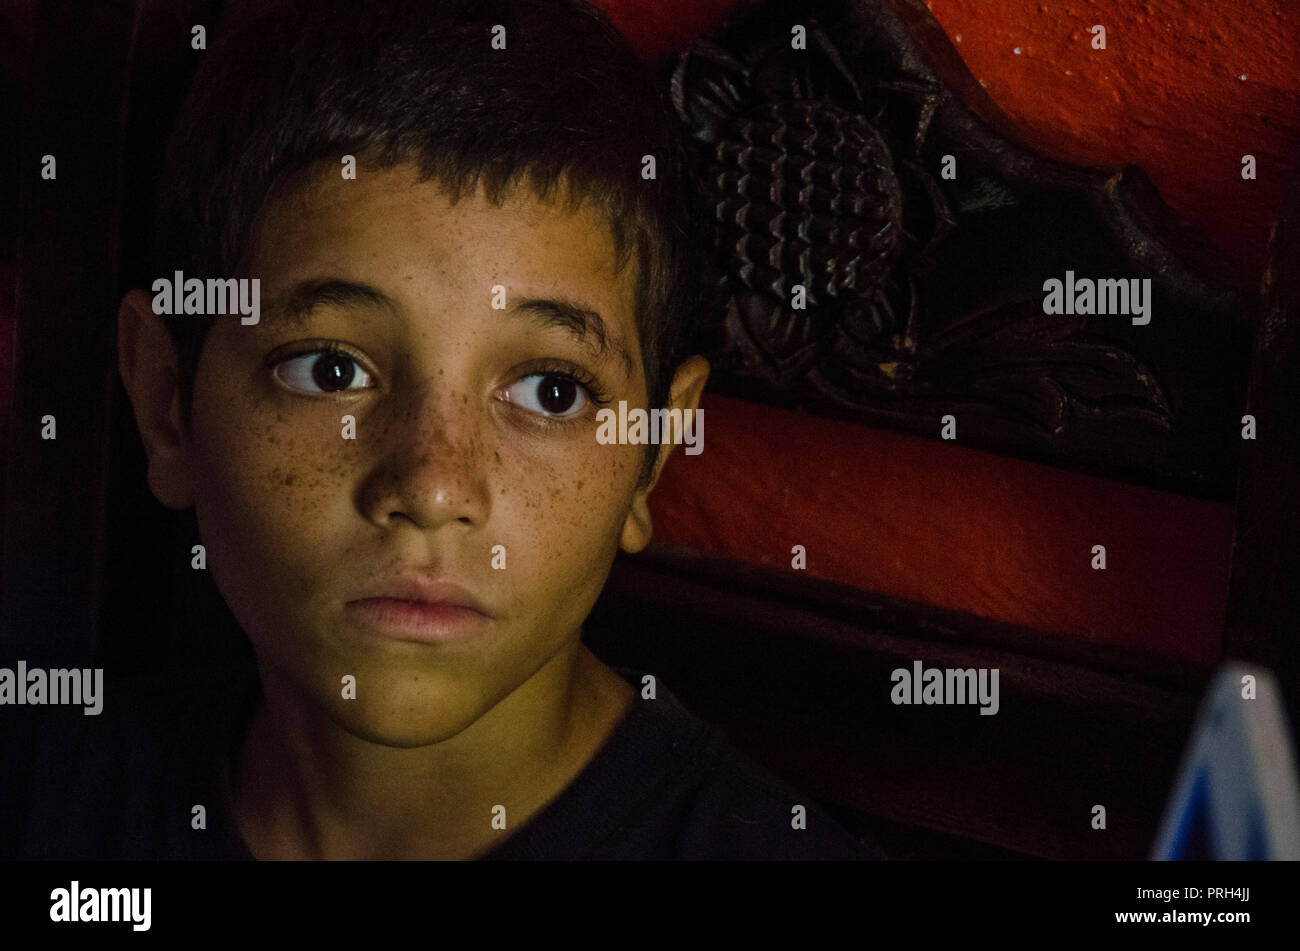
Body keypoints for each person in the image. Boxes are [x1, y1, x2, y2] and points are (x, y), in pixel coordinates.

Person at [14, 0, 883, 860]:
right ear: (169, 404)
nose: (433, 487)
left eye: (551, 390)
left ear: (654, 452)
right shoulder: (52, 809)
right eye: (329, 369)